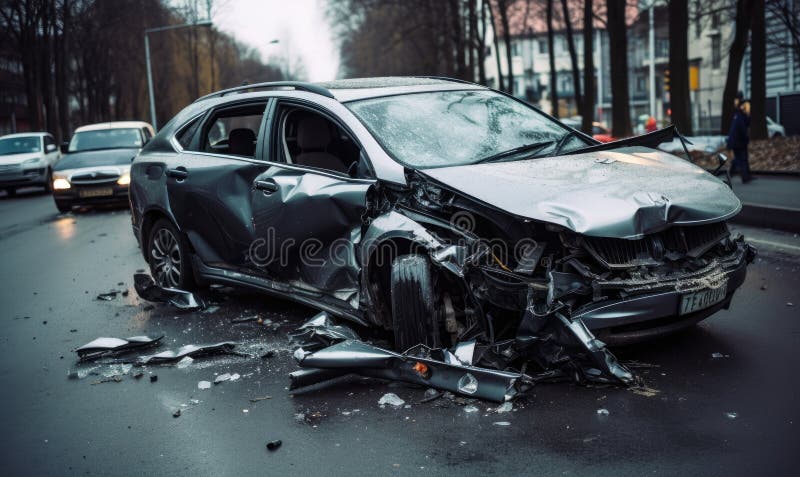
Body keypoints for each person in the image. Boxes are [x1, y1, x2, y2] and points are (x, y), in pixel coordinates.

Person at [727, 98, 752, 183]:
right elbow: (742, 130)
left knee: (740, 158)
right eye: (747, 106)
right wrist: (746, 138)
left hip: (738, 142)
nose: (748, 107)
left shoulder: (740, 115)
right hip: (738, 142)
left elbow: (748, 122)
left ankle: (732, 172)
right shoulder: (739, 116)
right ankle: (745, 177)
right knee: (742, 159)